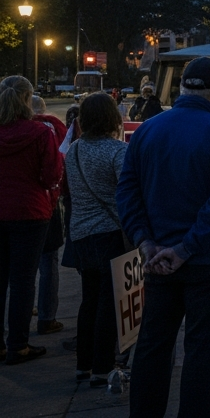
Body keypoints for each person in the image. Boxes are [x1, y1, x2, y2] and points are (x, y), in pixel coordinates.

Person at [116, 56, 210, 417]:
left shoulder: (148, 129)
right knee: (202, 350)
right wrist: (185, 249)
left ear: (182, 87)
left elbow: (126, 193)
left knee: (153, 347)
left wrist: (146, 242)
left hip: (158, 260)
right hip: (209, 261)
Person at [65, 92, 128, 390]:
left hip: (80, 234)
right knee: (109, 303)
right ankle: (102, 367)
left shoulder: (74, 150)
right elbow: (127, 194)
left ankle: (83, 363)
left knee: (88, 300)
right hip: (110, 234)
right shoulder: (118, 151)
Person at [0, 76, 62, 364]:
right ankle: (19, 344)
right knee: (23, 280)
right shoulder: (40, 133)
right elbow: (51, 176)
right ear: (28, 99)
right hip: (30, 211)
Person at [30, 95, 66, 337]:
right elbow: (57, 167)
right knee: (47, 262)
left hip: (7, 209)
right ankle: (46, 317)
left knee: (14, 270)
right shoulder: (50, 128)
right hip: (42, 205)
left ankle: (14, 326)